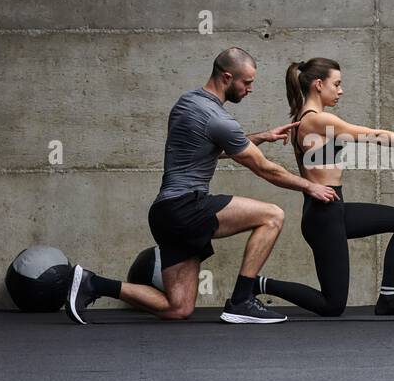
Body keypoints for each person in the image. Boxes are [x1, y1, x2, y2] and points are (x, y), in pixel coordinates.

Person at [66, 47, 337, 325]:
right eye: (246, 82)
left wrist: (261, 137)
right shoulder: (218, 119)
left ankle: (93, 284)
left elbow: (207, 149)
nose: (250, 89)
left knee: (178, 307)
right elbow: (264, 169)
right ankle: (242, 300)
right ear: (227, 77)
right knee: (272, 216)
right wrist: (309, 186)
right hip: (187, 206)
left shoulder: (187, 102)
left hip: (165, 214)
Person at [254, 57, 394, 317]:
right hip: (323, 215)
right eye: (337, 84)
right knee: (333, 305)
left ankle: (387, 300)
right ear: (319, 85)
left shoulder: (309, 119)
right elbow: (374, 135)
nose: (341, 90)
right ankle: (258, 283)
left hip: (335, 209)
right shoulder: (314, 121)